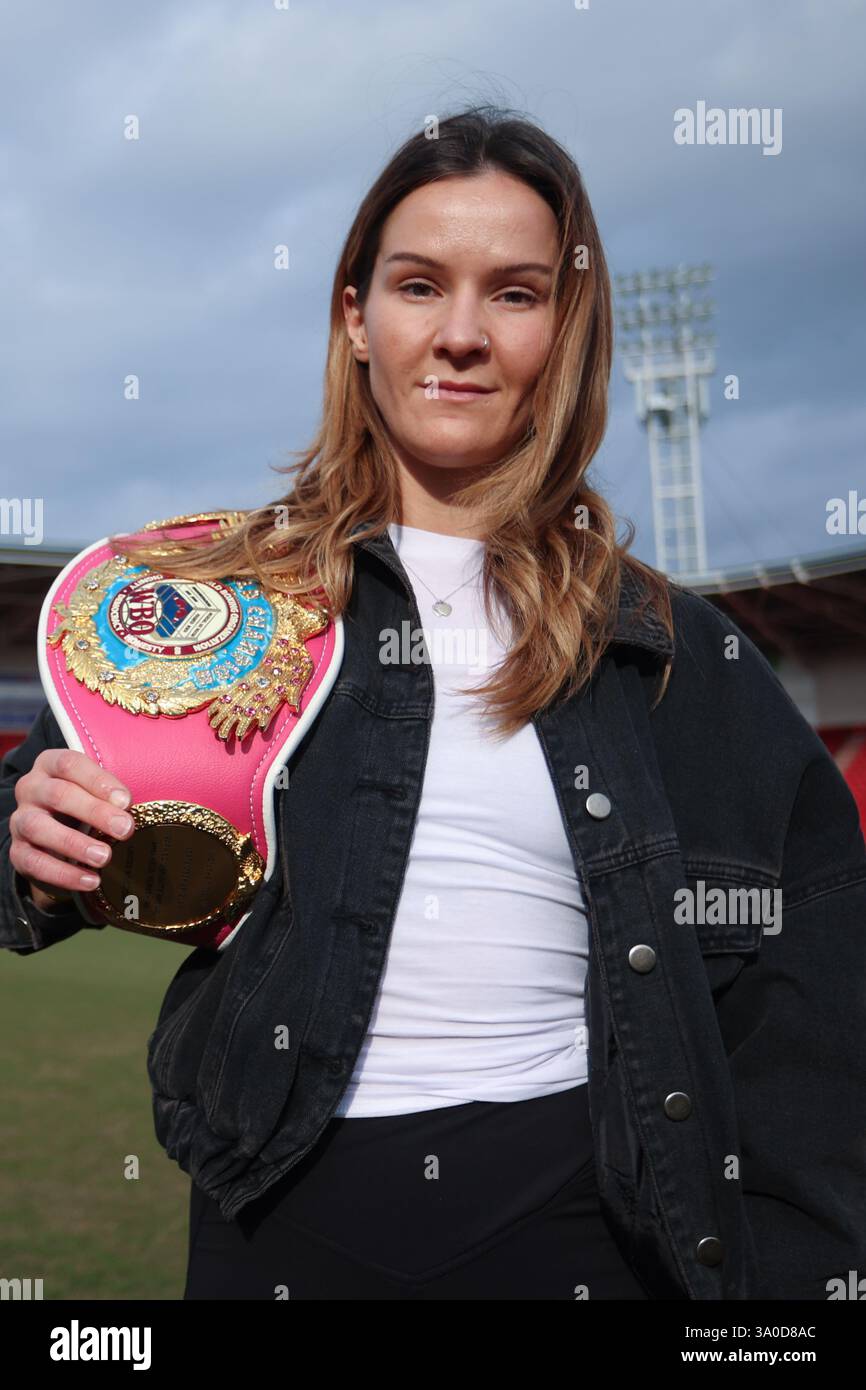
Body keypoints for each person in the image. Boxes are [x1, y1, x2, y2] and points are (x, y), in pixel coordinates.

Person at [2, 105, 865, 1301]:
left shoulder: (663, 646)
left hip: (583, 1223)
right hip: (277, 1212)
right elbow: (34, 847)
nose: (459, 334)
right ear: (356, 318)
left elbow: (808, 985)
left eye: (513, 293)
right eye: (417, 285)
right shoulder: (215, 600)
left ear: (563, 329)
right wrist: (31, 849)